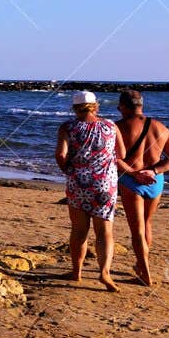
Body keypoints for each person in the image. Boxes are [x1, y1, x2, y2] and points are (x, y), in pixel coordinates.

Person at [55, 90, 127, 290]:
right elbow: (121, 154)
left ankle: (76, 272)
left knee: (79, 230)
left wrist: (68, 170)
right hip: (105, 183)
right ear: (95, 106)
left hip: (78, 182)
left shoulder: (68, 127)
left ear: (75, 107)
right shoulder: (111, 126)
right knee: (105, 232)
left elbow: (61, 154)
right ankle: (104, 272)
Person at [115, 88, 169, 285]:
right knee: (147, 224)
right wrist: (154, 171)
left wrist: (135, 173)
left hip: (131, 179)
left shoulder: (118, 127)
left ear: (122, 107)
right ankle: (140, 265)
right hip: (155, 181)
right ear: (141, 105)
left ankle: (145, 272)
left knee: (137, 230)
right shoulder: (161, 127)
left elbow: (115, 158)